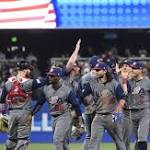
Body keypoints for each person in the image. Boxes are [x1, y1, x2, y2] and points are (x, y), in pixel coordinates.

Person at [0, 60, 49, 150]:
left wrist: (2, 113)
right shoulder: (29, 82)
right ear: (25, 70)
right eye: (28, 69)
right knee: (23, 140)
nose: (30, 71)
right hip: (24, 113)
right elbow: (44, 81)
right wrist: (51, 74)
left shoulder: (8, 82)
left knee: (11, 139)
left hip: (12, 114)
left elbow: (2, 100)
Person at [35, 66, 82, 150]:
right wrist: (31, 113)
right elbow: (39, 102)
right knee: (63, 143)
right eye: (49, 75)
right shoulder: (46, 89)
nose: (49, 77)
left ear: (58, 77)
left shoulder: (66, 89)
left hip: (65, 116)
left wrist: (79, 119)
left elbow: (75, 104)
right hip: (54, 117)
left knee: (57, 140)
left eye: (52, 76)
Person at [81, 62, 126, 150]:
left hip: (112, 116)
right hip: (98, 117)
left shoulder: (114, 83)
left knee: (119, 141)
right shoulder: (92, 83)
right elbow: (81, 95)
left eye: (98, 70)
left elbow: (122, 97)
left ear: (104, 71)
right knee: (93, 143)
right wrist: (88, 104)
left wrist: (119, 108)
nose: (95, 72)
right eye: (95, 70)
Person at [126, 61, 150, 150]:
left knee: (142, 138)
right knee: (138, 139)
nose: (132, 70)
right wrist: (124, 79)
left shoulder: (148, 82)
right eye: (132, 68)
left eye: (134, 68)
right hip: (132, 113)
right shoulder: (128, 82)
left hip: (144, 112)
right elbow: (122, 92)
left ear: (141, 70)